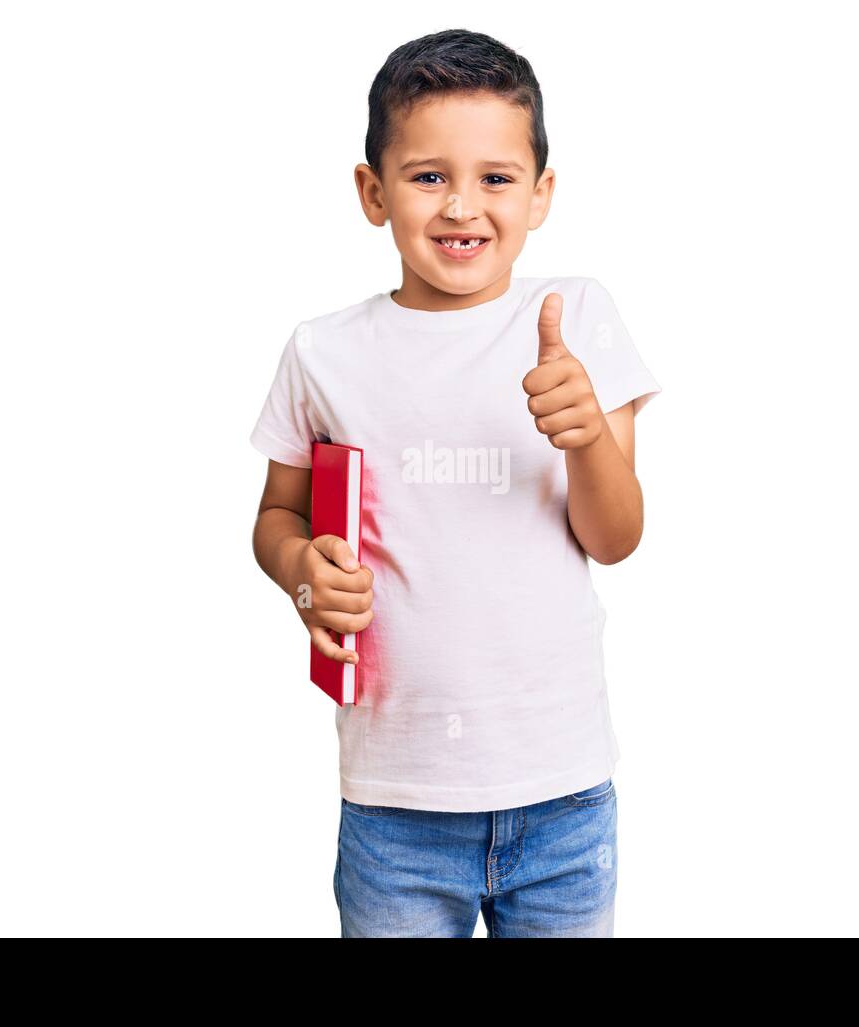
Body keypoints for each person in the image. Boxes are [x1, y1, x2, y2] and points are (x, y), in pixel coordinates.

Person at [250, 28, 661, 937]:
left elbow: (617, 536)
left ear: (542, 194)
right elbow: (277, 516)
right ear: (373, 192)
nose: (461, 206)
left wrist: (588, 433)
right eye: (428, 175)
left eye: (497, 178)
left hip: (562, 796)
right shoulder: (324, 353)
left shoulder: (578, 318)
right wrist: (304, 573)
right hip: (395, 804)